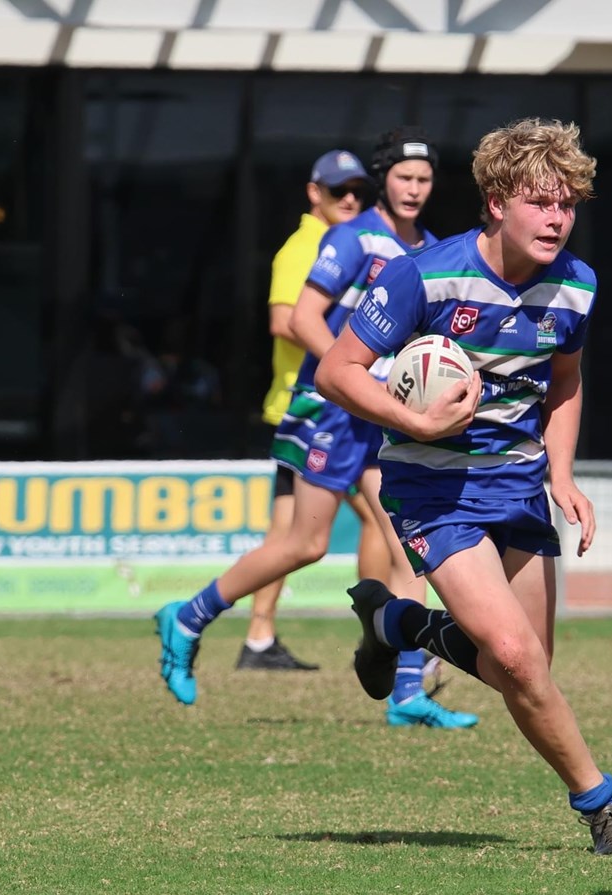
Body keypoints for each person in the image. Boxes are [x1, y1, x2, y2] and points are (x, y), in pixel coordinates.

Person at [313, 118, 612, 856]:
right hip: (433, 488)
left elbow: (564, 382)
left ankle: (399, 627)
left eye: (568, 204)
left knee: (523, 669)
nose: (558, 218)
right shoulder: (423, 275)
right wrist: (412, 421)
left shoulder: (577, 286)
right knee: (518, 660)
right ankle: (602, 805)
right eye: (541, 202)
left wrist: (563, 474)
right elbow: (338, 369)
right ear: (496, 201)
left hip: (519, 483)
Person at [155, 128, 478, 729]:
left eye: (425, 179)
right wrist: (355, 379)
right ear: (385, 180)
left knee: (414, 542)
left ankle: (408, 689)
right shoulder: (352, 237)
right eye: (404, 178)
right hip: (330, 406)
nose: (414, 188)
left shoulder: (432, 249)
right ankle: (187, 616)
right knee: (305, 543)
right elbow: (301, 319)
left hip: (383, 412)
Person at [240, 148, 382, 671]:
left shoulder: (342, 241)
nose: (349, 199)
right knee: (381, 520)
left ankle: (257, 637)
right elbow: (285, 320)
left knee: (291, 537)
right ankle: (382, 627)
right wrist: (354, 354)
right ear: (312, 193)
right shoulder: (309, 246)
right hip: (310, 409)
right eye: (337, 190)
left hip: (321, 406)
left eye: (359, 192)